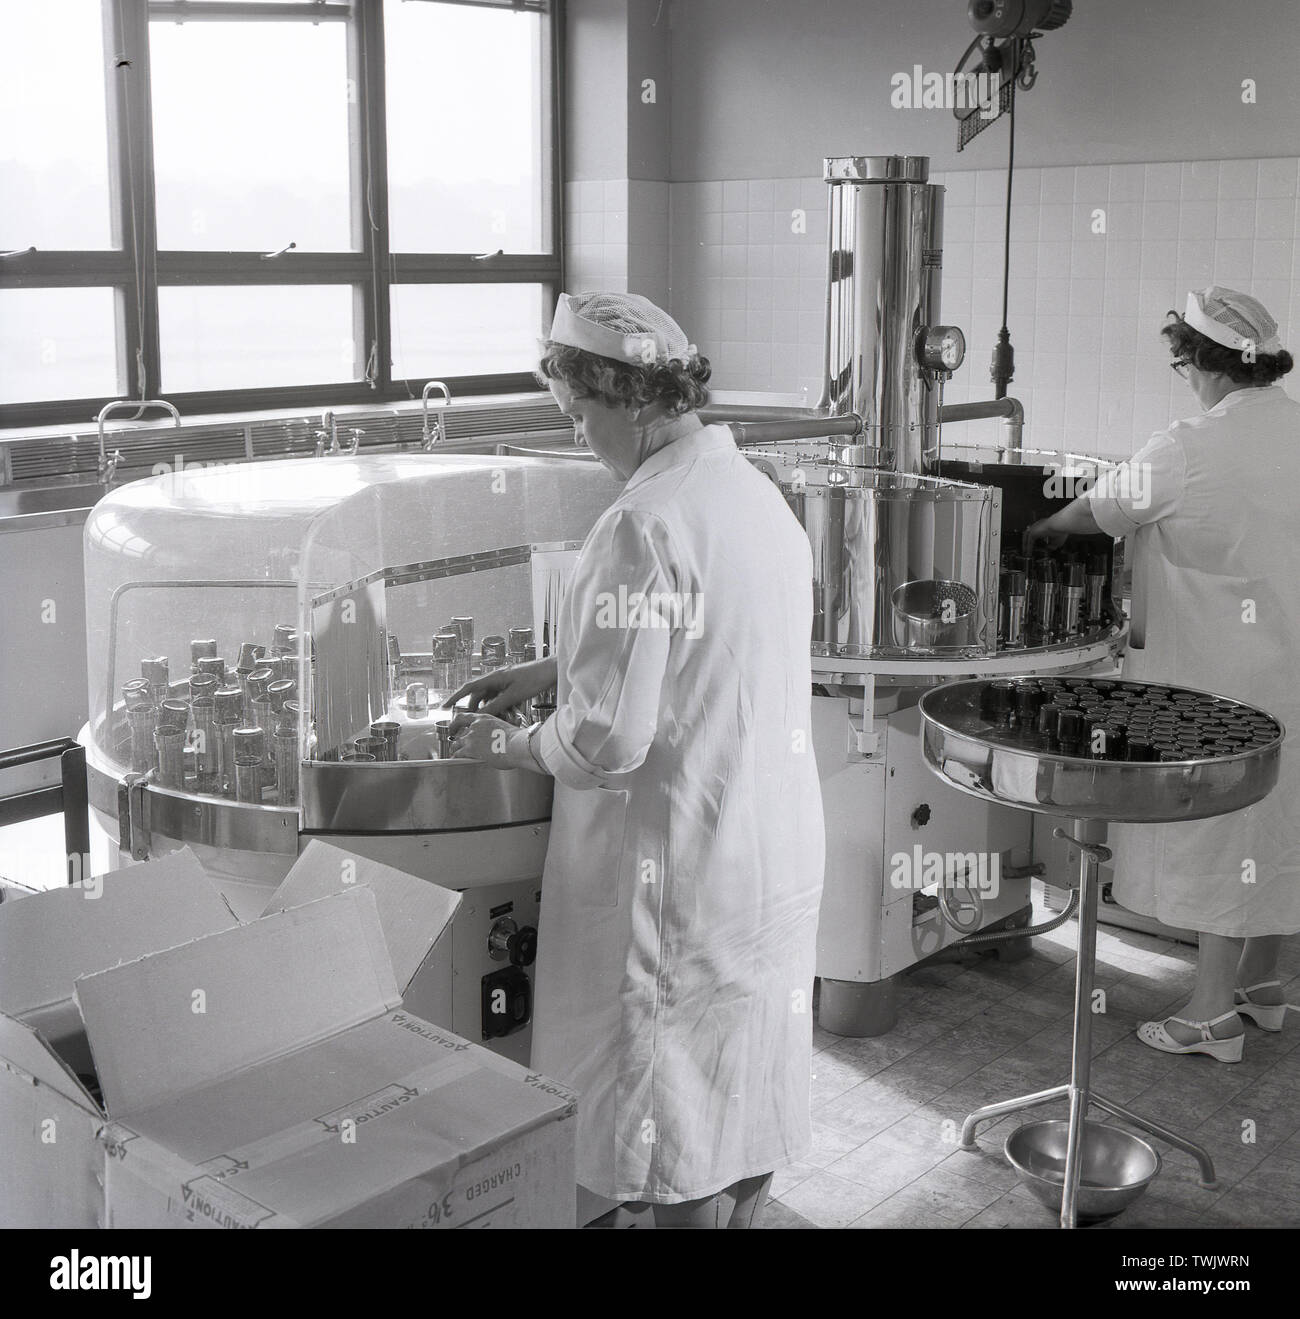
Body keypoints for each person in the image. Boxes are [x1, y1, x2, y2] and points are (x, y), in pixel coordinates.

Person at [446, 292, 826, 1224]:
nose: (581, 437)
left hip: (678, 870)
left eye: (579, 414)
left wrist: (516, 741)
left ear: (628, 397)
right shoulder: (754, 493)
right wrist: (560, 660)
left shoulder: (639, 522)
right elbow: (708, 641)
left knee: (669, 1118)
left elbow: (607, 742)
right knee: (742, 1079)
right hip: (766, 849)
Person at [1026, 286, 1299, 1062]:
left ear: (1197, 362)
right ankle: (1265, 984)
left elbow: (1099, 510)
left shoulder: (1187, 445)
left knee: (1222, 826)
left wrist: (1043, 524)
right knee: (1280, 817)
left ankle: (1211, 1013)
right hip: (1292, 662)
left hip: (1221, 679)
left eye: (1181, 361)